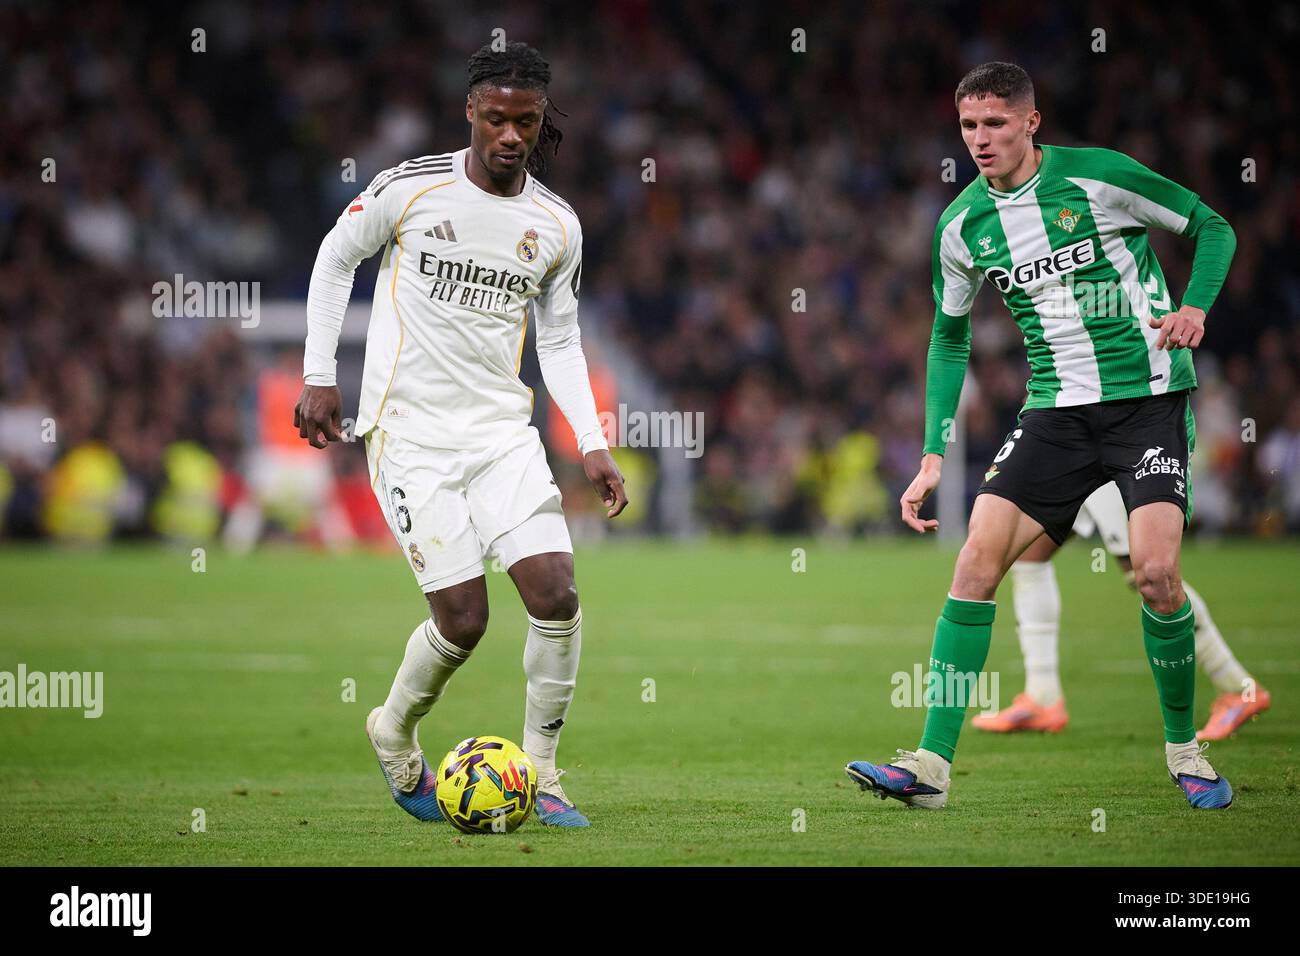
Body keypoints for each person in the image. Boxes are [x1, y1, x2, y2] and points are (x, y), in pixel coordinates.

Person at [846, 62, 1238, 809]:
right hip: (1056, 413)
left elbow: (1212, 225)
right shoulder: (961, 225)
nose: (980, 139)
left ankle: (1186, 752)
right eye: (968, 126)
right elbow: (949, 338)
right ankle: (931, 768)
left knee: (1155, 575)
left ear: (1032, 122)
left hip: (1148, 401)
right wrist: (932, 452)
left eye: (995, 123)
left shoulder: (1099, 179)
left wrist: (1195, 308)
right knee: (973, 567)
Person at [296, 42, 627, 827]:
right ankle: (393, 729)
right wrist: (318, 372)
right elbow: (336, 256)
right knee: (464, 620)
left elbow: (560, 341)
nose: (511, 135)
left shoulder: (555, 225)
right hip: (409, 434)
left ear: (541, 121)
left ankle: (542, 773)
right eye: (497, 118)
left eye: (527, 121)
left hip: (501, 434)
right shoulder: (410, 189)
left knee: (557, 593)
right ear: (470, 113)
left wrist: (592, 439)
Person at [973, 481, 1270, 739]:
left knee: (1147, 573)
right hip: (1075, 440)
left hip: (1112, 443)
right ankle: (1042, 696)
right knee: (1031, 551)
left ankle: (1237, 686)